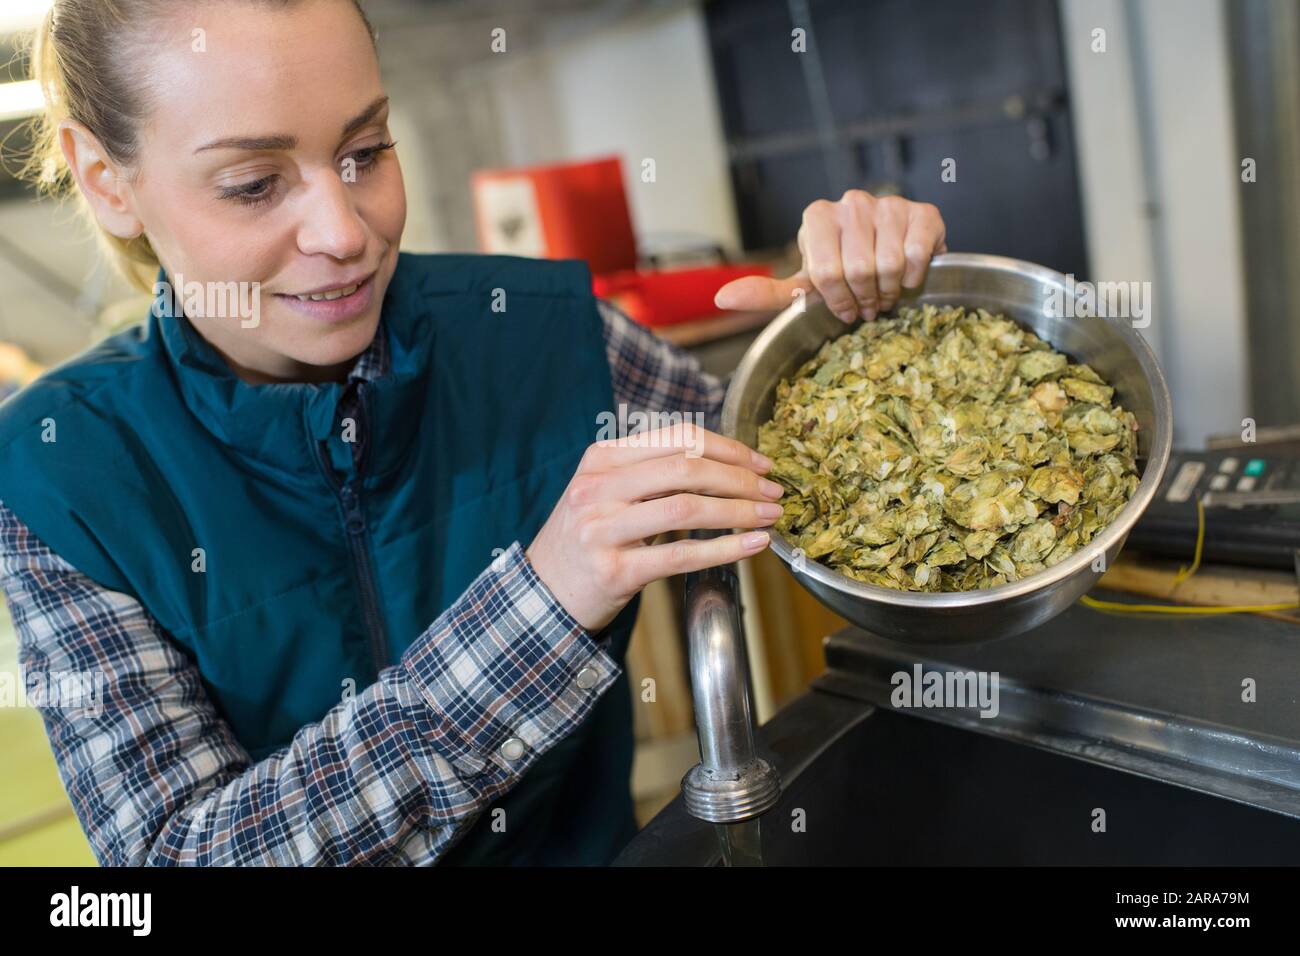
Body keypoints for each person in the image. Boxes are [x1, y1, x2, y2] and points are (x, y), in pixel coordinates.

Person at [0, 0, 947, 865]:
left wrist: (871, 330)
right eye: (253, 185)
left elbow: (826, 493)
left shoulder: (542, 335)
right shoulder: (61, 478)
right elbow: (178, 858)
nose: (344, 230)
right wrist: (542, 604)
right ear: (105, 179)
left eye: (365, 151)